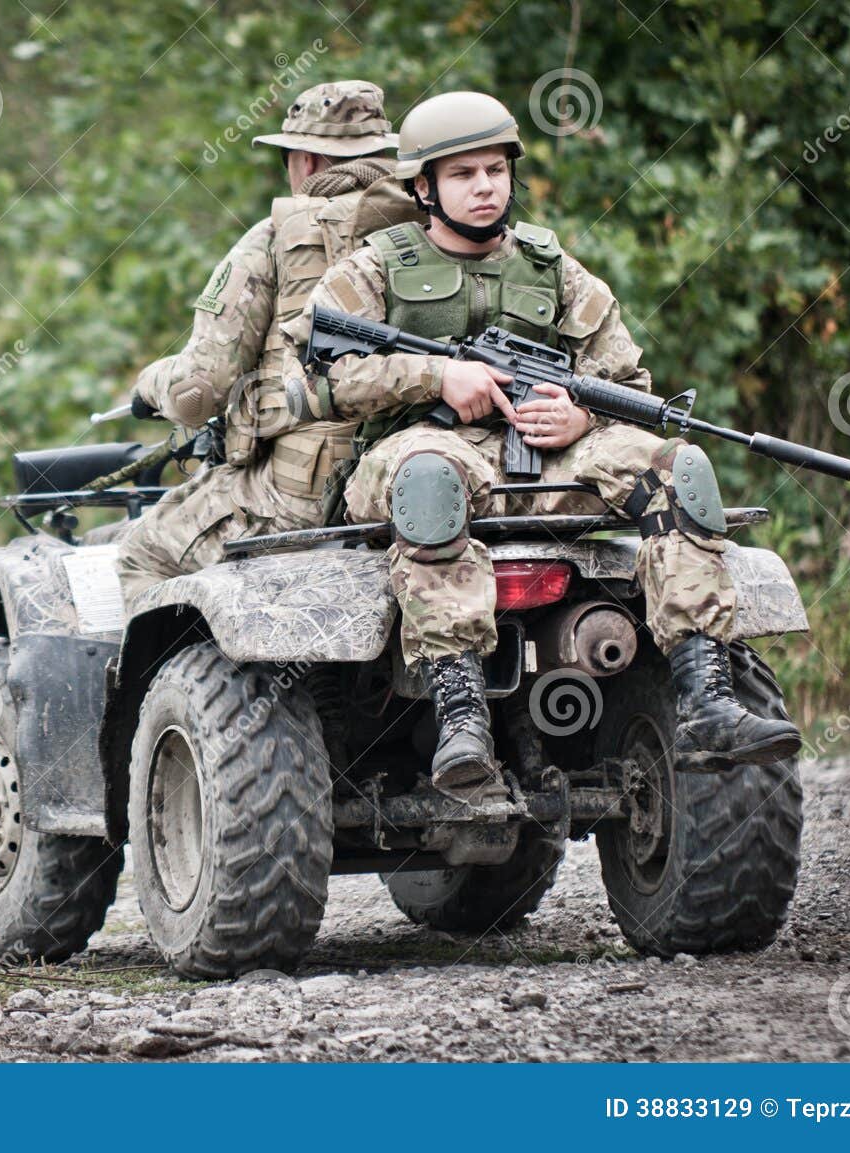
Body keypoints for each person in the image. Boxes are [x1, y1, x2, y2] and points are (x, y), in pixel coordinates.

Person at [283, 90, 801, 800]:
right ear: (424, 186)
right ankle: (462, 716)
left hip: (546, 450)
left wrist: (580, 415)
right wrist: (436, 373)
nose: (485, 185)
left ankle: (706, 700)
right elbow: (310, 379)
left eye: (495, 169)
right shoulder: (374, 267)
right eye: (463, 173)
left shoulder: (551, 267)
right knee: (431, 477)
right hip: (419, 453)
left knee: (679, 466)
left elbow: (623, 374)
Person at [115, 80, 422, 600]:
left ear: (304, 161)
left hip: (305, 498)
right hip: (420, 489)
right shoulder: (441, 228)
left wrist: (149, 386)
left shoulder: (277, 236)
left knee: (142, 555)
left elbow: (198, 395)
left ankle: (198, 679)